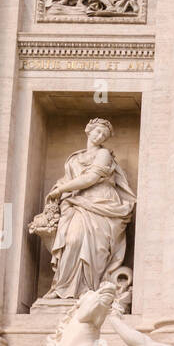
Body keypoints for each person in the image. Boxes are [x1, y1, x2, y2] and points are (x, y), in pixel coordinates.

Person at [41, 118, 136, 300]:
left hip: (101, 202)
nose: (100, 136)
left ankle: (89, 290)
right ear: (88, 129)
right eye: (98, 131)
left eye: (104, 135)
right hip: (78, 202)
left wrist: (62, 189)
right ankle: (62, 287)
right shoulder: (75, 158)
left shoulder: (104, 154)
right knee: (73, 240)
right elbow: (70, 178)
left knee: (95, 248)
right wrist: (59, 188)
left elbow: (90, 178)